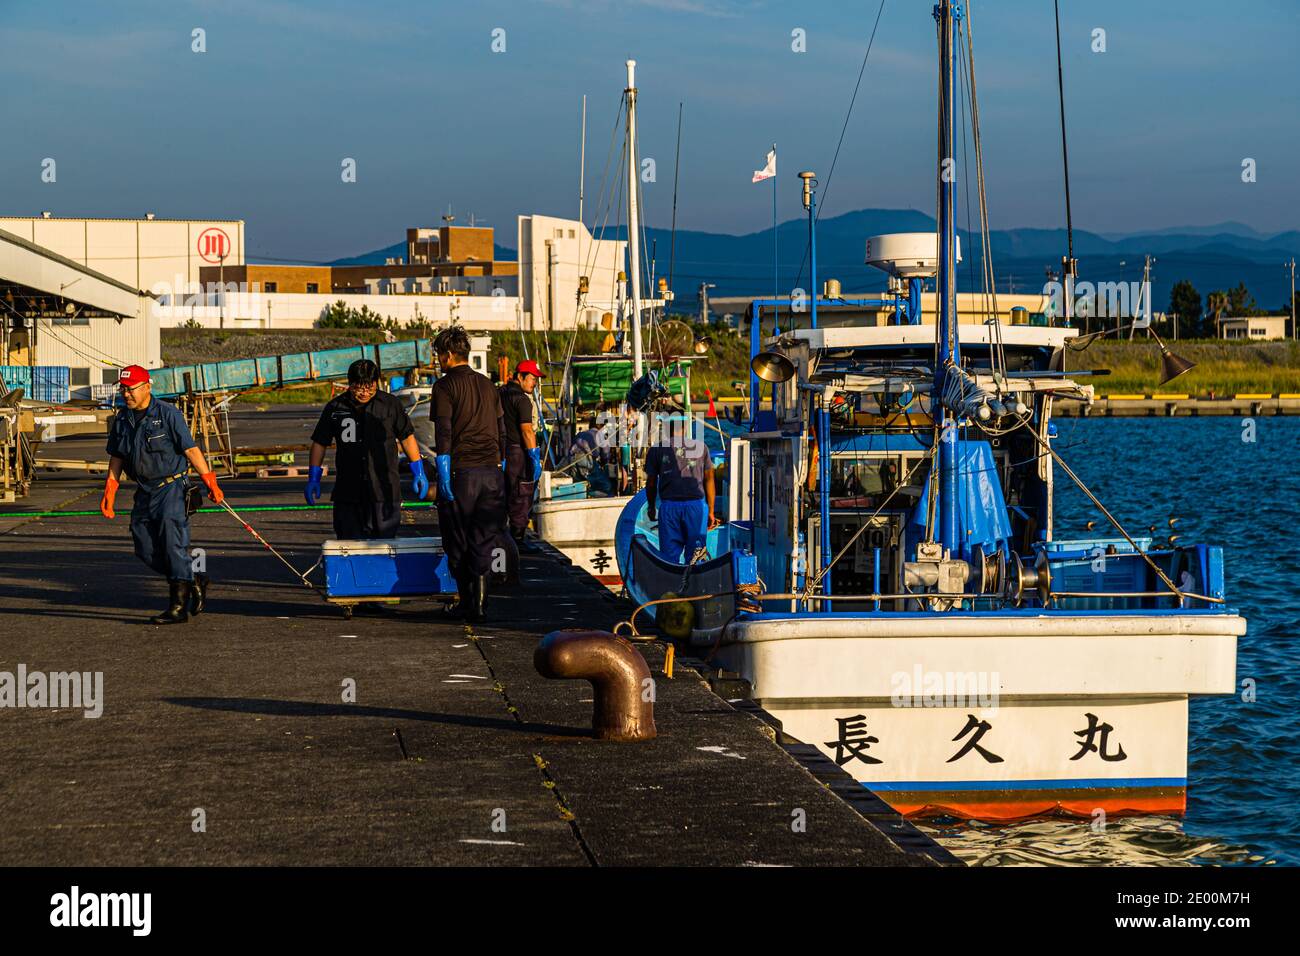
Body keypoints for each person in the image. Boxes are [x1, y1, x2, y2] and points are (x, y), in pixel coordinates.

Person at [100, 365, 225, 624]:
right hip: (144, 490)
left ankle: (178, 608)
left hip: (171, 488)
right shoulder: (122, 419)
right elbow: (117, 456)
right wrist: (110, 490)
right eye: (123, 388)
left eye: (131, 388)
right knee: (143, 547)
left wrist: (210, 482)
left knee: (172, 545)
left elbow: (190, 450)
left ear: (147, 386)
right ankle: (192, 577)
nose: (126, 394)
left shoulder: (167, 414)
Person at [430, 325, 507, 623]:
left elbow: (444, 431)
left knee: (457, 539)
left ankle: (467, 603)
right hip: (492, 473)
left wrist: (443, 470)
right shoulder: (489, 385)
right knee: (484, 538)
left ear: (449, 355)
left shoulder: (444, 387)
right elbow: (502, 430)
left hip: (462, 472)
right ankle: (481, 605)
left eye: (439, 355)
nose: (438, 360)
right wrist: (499, 463)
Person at [305, 359, 427, 539]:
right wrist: (313, 478)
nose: (363, 392)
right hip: (348, 492)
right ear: (349, 384)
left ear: (376, 382)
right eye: (358, 387)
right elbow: (319, 443)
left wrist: (418, 470)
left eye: (369, 387)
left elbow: (407, 437)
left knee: (385, 546)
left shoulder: (390, 404)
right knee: (349, 546)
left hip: (384, 491)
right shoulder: (335, 407)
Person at [643, 415, 719, 564]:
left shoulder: (656, 450)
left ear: (665, 428)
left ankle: (672, 585)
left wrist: (651, 507)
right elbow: (709, 480)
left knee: (669, 558)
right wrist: (710, 511)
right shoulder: (701, 447)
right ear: (685, 428)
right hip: (696, 507)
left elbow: (651, 483)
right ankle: (696, 584)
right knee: (696, 557)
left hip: (669, 507)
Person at [499, 359, 544, 548]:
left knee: (503, 494)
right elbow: (526, 430)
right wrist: (534, 456)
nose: (534, 384)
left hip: (500, 450)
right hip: (518, 452)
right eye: (532, 379)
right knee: (521, 494)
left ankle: (501, 537)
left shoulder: (499, 394)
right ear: (520, 377)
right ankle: (518, 539)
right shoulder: (523, 400)